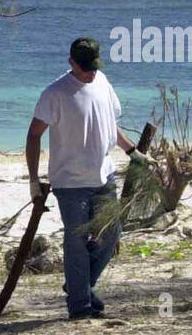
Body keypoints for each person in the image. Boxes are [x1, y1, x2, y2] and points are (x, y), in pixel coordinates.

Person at [25, 37, 150, 320]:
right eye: (84, 68)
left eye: (93, 67)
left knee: (111, 235)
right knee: (77, 242)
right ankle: (80, 307)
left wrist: (132, 151)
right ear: (71, 63)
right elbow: (34, 135)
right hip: (70, 183)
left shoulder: (103, 81)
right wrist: (33, 179)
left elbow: (110, 124)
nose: (90, 73)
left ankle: (78, 284)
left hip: (104, 176)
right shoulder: (54, 94)